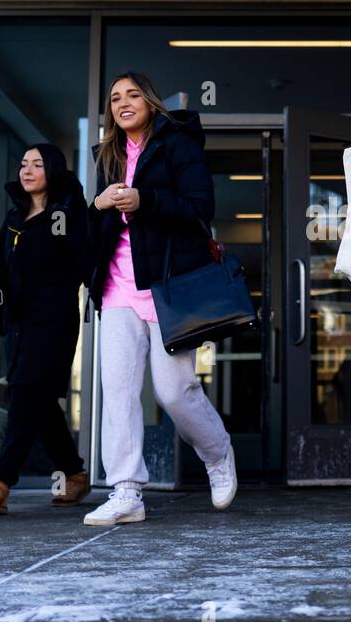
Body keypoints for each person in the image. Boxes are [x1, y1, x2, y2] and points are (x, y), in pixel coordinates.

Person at [82, 71, 237, 526]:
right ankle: (126, 491)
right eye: (114, 98)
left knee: (173, 391)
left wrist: (143, 200)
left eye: (132, 95)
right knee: (119, 392)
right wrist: (98, 207)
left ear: (150, 101)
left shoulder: (177, 143)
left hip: (168, 286)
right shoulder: (107, 156)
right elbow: (96, 228)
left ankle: (217, 452)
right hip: (117, 288)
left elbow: (199, 208)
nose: (123, 103)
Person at [0, 143, 93, 515]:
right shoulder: (16, 215)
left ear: (53, 170)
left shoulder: (68, 212)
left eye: (36, 164)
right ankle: (75, 474)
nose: (26, 170)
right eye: (23, 164)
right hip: (17, 320)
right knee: (41, 400)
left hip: (52, 319)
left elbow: (83, 262)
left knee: (25, 392)